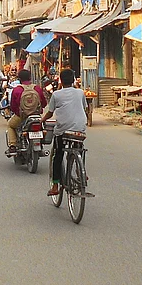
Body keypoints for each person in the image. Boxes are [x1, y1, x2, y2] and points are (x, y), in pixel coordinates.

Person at [43, 69, 88, 197]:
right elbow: (85, 108)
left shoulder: (56, 95)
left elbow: (50, 112)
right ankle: (81, 172)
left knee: (57, 155)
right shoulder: (80, 93)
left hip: (63, 130)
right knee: (79, 148)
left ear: (61, 81)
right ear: (73, 80)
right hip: (79, 128)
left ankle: (55, 185)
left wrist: (42, 120)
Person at [6, 69, 47, 155]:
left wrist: (19, 112)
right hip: (36, 116)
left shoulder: (17, 90)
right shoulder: (37, 88)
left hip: (22, 116)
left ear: (19, 79)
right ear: (30, 77)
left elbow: (13, 106)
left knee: (10, 125)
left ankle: (12, 145)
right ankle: (41, 143)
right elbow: (44, 103)